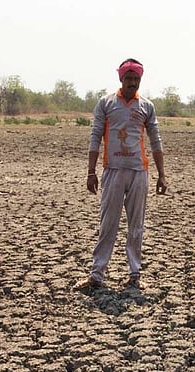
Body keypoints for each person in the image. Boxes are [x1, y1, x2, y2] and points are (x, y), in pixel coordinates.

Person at [74, 58, 168, 293]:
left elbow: (155, 141)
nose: (132, 83)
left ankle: (135, 275)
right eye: (129, 79)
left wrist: (162, 175)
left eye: (136, 79)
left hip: (139, 172)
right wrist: (90, 172)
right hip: (113, 171)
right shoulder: (106, 104)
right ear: (121, 79)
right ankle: (96, 275)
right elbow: (95, 137)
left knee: (136, 226)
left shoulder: (147, 106)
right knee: (108, 224)